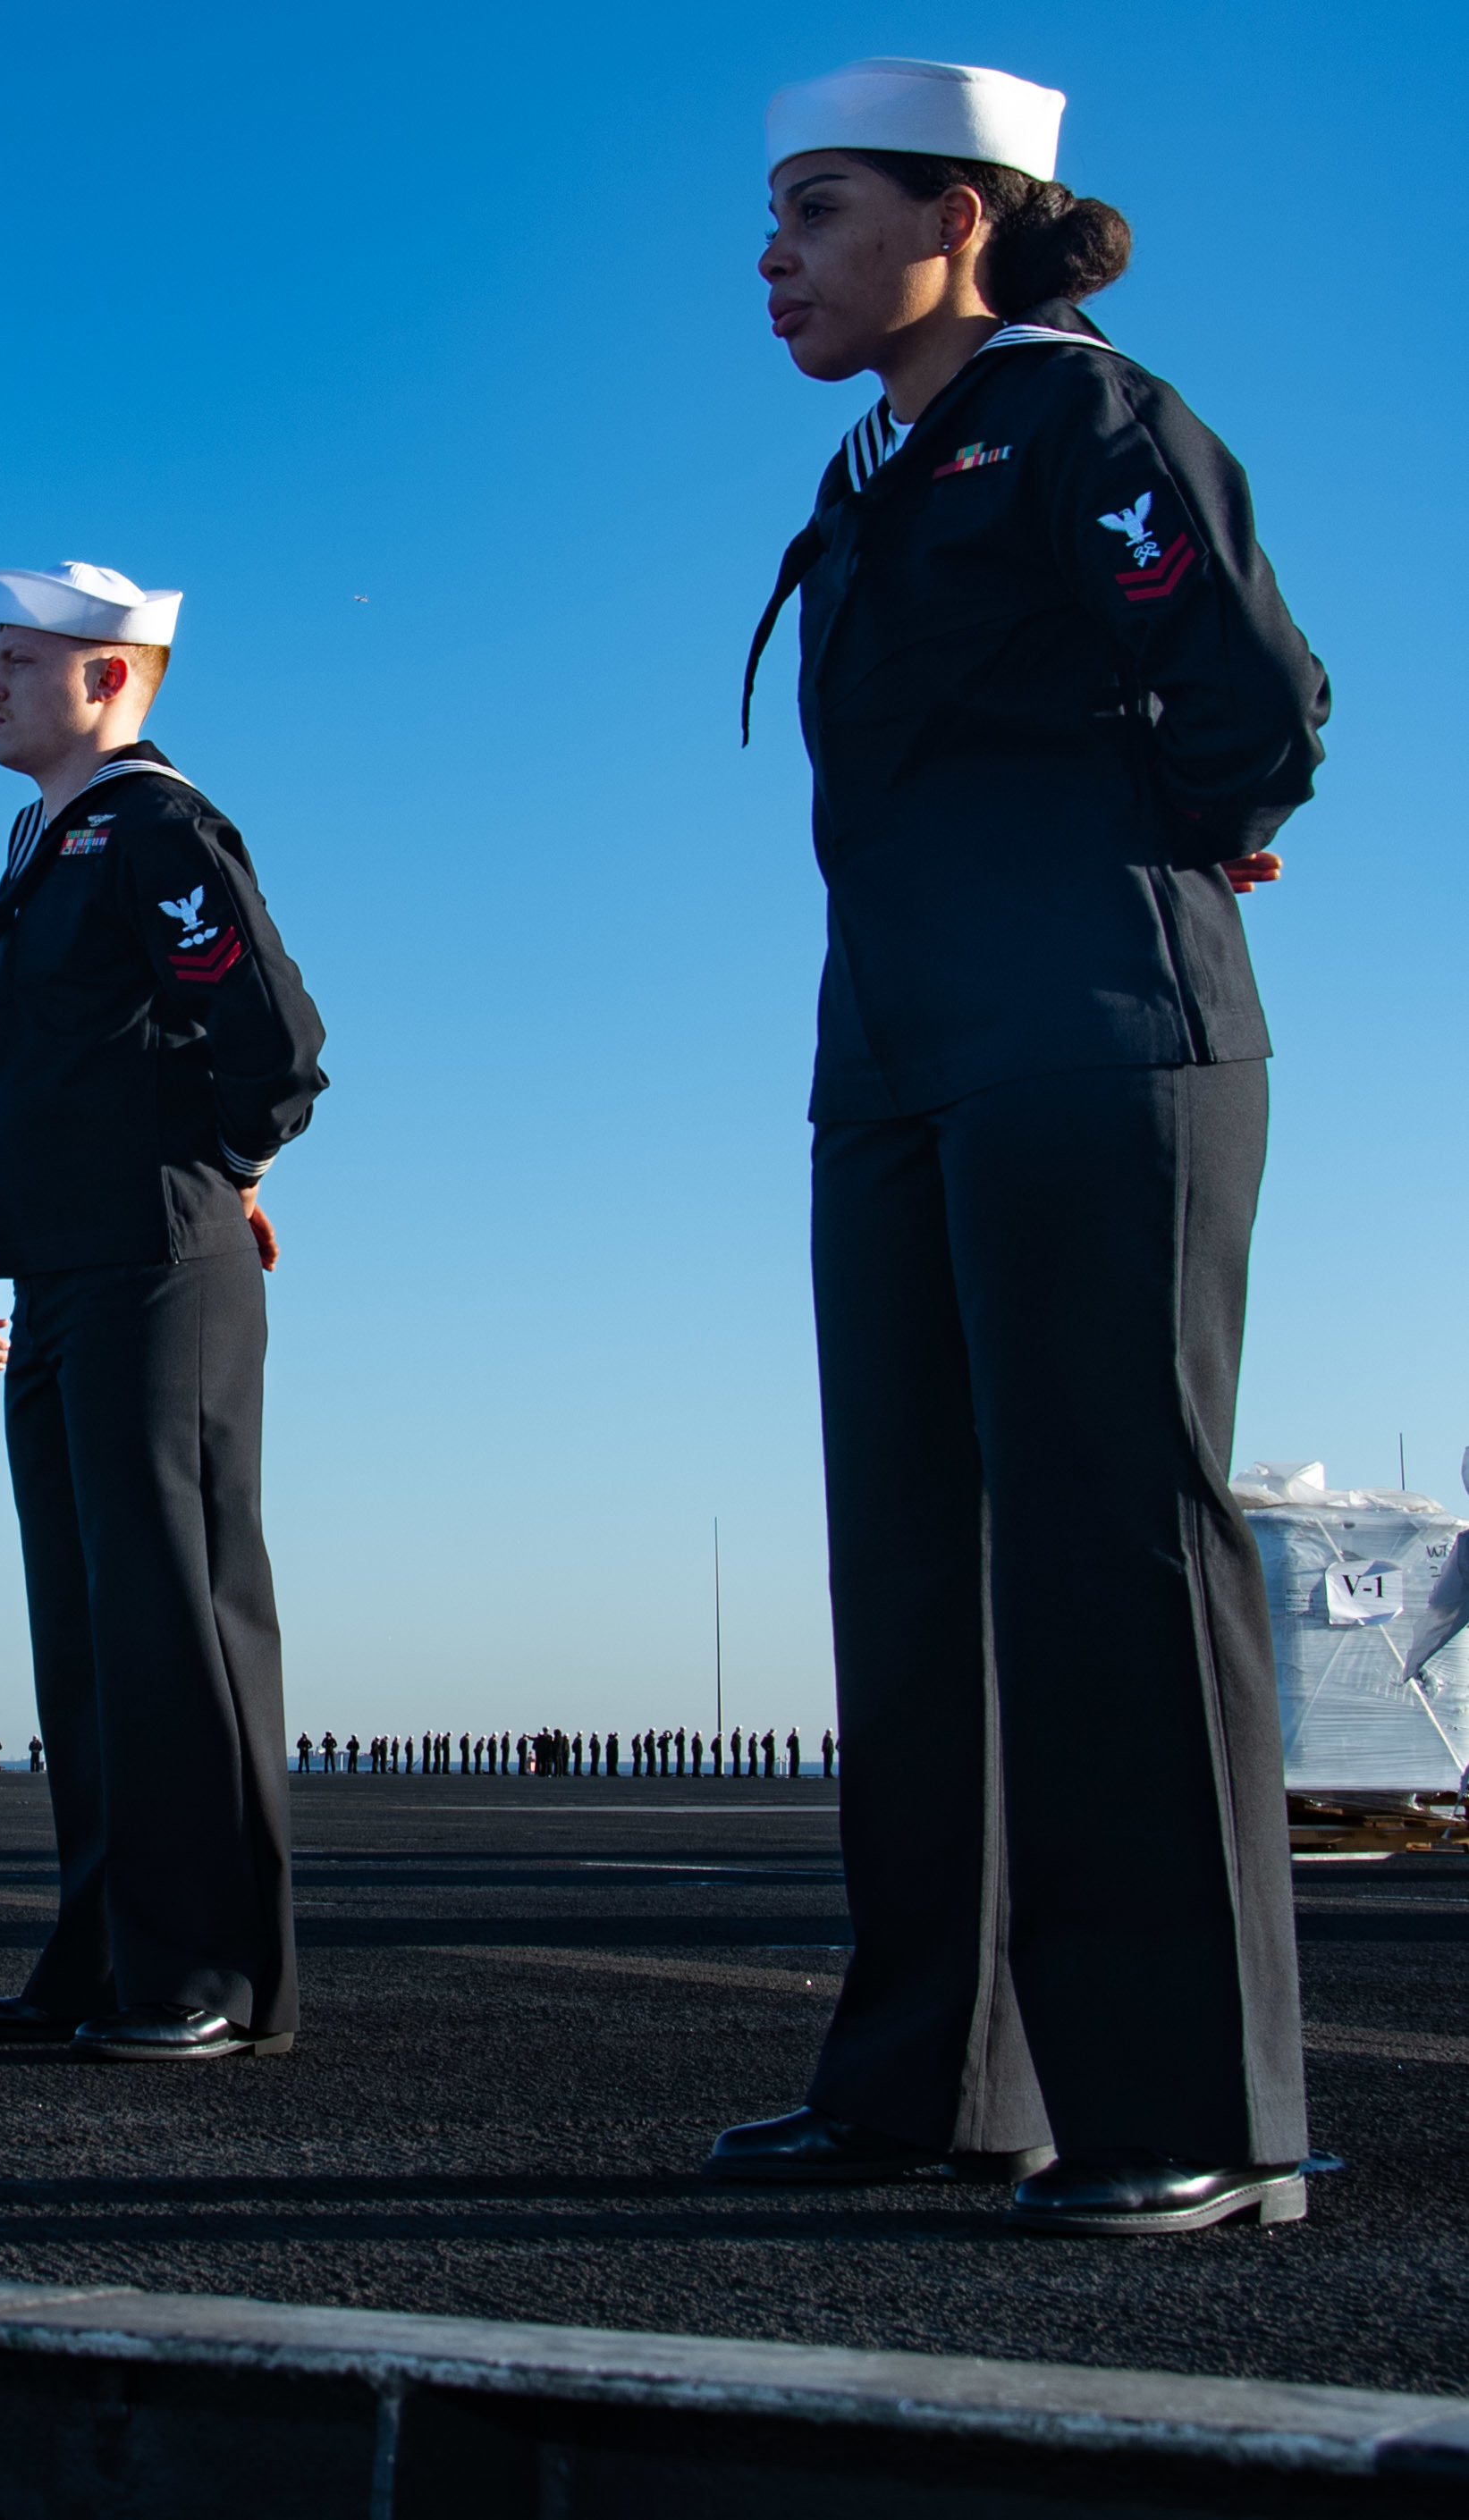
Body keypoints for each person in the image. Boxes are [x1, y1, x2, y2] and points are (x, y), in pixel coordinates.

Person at [711, 59, 1324, 2238]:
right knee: (910, 1565)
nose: (769, 256)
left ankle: (1191, 2104)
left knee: (1103, 1540)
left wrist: (1159, 840)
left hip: (1085, 1026)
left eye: (815, 207)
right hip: (887, 1050)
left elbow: (1249, 697)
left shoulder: (1079, 417)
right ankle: (925, 2080)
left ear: (953, 216)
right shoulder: (869, 468)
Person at [0, 561, 329, 2062]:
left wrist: (225, 1168)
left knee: (175, 1619)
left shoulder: (153, 824)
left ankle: (208, 1967)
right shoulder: (51, 838)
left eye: (15, 659)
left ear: (105, 677)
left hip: (158, 1265)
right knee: (89, 1634)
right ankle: (106, 1949)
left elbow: (273, 1040)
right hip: (66, 1271)